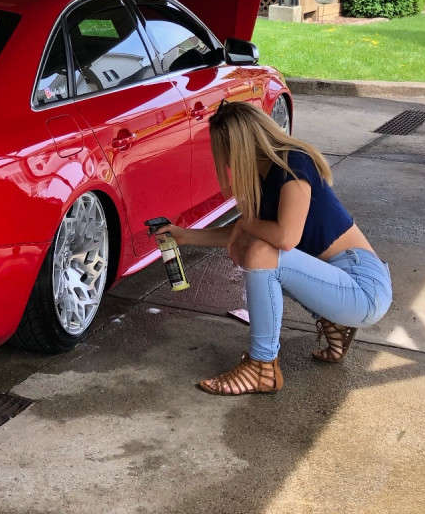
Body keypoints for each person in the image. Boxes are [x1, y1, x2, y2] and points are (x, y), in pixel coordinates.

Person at [156, 100, 392, 396]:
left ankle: (262, 367)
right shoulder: (266, 176)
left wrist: (245, 228)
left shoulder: (293, 164)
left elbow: (285, 238)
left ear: (237, 147)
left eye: (222, 151)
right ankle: (333, 322)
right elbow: (245, 231)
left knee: (260, 253)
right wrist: (185, 236)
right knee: (256, 251)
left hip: (364, 288)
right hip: (339, 279)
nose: (223, 161)